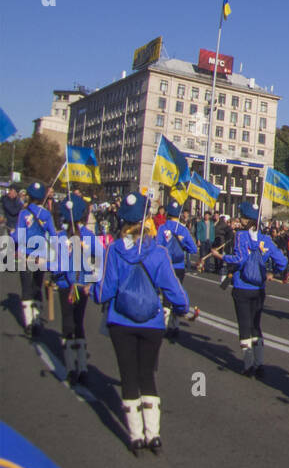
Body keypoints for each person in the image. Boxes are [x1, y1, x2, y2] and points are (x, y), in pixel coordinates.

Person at [93, 192, 196, 453]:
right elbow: (173, 289)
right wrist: (184, 309)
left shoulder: (113, 250)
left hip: (121, 321)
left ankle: (135, 435)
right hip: (151, 322)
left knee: (128, 377)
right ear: (146, 219)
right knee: (147, 375)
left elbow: (103, 291)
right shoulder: (158, 251)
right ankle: (154, 434)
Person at [212, 203, 288, 377]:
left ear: (247, 220)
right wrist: (271, 272)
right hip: (259, 288)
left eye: (241, 217)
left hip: (242, 286)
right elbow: (282, 262)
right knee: (256, 325)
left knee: (244, 325)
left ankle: (248, 365)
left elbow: (239, 259)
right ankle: (259, 363)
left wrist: (221, 256)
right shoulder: (266, 239)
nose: (239, 219)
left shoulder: (241, 237)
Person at [54, 194, 99, 385]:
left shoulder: (61, 237)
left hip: (66, 285)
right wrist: (91, 283)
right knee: (79, 322)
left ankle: (71, 366)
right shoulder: (90, 237)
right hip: (83, 285)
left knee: (67, 321)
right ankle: (82, 365)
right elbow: (97, 262)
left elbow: (58, 266)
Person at [15, 182, 54, 337]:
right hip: (41, 255)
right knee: (37, 285)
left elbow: (19, 235)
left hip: (25, 253)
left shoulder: (23, 213)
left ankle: (29, 322)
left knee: (26, 287)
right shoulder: (46, 214)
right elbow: (52, 234)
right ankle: (37, 321)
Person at [155, 200, 197, 338]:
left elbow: (157, 246)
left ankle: (164, 325)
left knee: (165, 295)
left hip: (165, 265)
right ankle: (175, 325)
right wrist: (182, 246)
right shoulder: (183, 229)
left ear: (167, 213)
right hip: (179, 267)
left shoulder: (162, 228)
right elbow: (193, 248)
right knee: (175, 292)